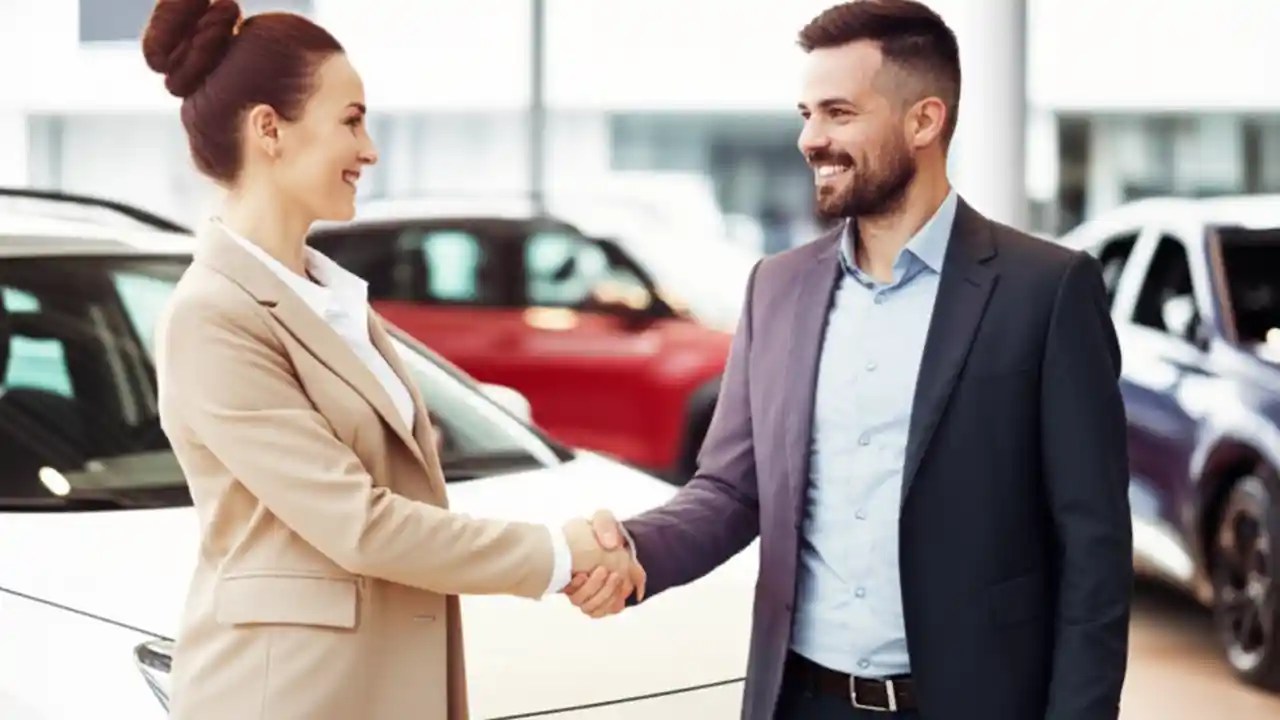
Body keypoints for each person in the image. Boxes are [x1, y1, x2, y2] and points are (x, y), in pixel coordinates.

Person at [565, 2, 1133, 719]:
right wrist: (633, 550)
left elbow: (1095, 551)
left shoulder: (1046, 291)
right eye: (805, 113)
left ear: (923, 121)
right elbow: (733, 492)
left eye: (837, 113)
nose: (809, 139)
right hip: (801, 700)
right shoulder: (776, 288)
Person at [142, 2, 640, 719]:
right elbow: (360, 523)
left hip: (379, 680)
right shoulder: (213, 314)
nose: (370, 148)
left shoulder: (330, 298)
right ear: (268, 130)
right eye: (351, 120)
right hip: (289, 695)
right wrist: (560, 555)